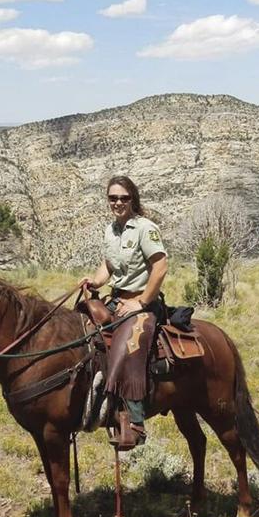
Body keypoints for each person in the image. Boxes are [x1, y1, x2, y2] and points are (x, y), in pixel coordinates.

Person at [87, 175, 168, 447]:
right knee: (84, 331)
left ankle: (135, 423)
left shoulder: (145, 228)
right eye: (113, 198)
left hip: (143, 303)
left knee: (128, 346)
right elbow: (108, 265)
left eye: (124, 198)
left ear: (133, 199)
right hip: (117, 299)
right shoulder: (110, 230)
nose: (118, 202)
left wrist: (141, 302)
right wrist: (95, 282)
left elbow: (160, 267)